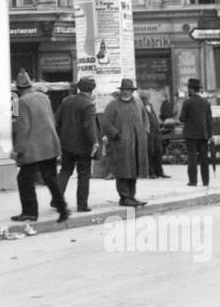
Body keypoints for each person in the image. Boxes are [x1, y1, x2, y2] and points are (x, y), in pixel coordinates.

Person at [11, 70, 65, 223]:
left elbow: (23, 129)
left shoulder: (21, 102)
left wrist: (17, 150)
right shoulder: (44, 97)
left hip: (34, 148)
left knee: (24, 179)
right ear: (31, 85)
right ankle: (63, 208)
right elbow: (52, 120)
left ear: (18, 88)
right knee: (50, 179)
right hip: (50, 145)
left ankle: (30, 212)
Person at [55, 76, 100, 212]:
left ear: (79, 88)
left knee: (65, 171)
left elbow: (56, 121)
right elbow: (89, 127)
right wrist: (95, 143)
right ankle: (82, 205)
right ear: (92, 90)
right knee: (84, 175)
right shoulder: (88, 105)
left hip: (66, 145)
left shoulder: (66, 101)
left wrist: (59, 140)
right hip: (83, 147)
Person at [104, 77, 150, 207]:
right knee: (123, 170)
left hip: (137, 143)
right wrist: (117, 134)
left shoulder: (138, 102)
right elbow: (106, 123)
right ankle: (124, 197)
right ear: (121, 90)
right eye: (124, 90)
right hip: (121, 144)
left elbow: (145, 118)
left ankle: (132, 196)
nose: (126, 92)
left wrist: (145, 131)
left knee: (133, 170)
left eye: (128, 90)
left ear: (132, 91)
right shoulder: (113, 105)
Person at [179, 77, 212, 187]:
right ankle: (206, 181)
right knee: (204, 159)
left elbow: (182, 118)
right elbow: (209, 120)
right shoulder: (206, 102)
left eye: (188, 88)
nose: (188, 91)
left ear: (192, 89)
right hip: (203, 134)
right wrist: (210, 135)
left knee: (192, 158)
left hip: (190, 134)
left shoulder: (187, 102)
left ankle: (193, 181)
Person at [139, 89, 170, 178]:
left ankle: (159, 171)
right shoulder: (141, 107)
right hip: (148, 133)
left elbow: (154, 117)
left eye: (148, 98)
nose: (147, 100)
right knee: (150, 152)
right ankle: (151, 172)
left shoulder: (150, 105)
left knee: (159, 151)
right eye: (145, 98)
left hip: (156, 132)